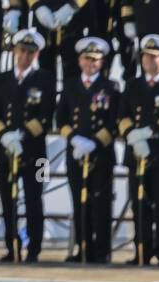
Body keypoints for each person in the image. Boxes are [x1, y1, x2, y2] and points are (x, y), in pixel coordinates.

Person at [118, 33, 159, 267]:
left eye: (155, 57)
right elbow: (122, 116)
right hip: (137, 155)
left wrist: (149, 132)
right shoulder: (132, 84)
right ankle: (141, 251)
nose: (149, 61)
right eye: (146, 56)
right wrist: (132, 136)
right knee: (139, 206)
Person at [0, 28, 55, 264]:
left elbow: (46, 116)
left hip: (36, 151)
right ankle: (12, 247)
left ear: (37, 54)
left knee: (34, 199)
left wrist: (23, 135)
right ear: (14, 51)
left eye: (30, 52)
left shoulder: (46, 80)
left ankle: (34, 249)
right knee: (8, 200)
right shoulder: (1, 79)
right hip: (6, 149)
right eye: (21, 51)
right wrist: (5, 135)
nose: (25, 56)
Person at [56, 36, 119, 264]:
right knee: (79, 201)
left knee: (100, 204)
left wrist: (94, 142)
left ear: (101, 62)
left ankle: (101, 251)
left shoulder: (110, 87)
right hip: (76, 153)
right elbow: (60, 119)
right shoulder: (70, 85)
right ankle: (82, 249)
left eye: (95, 60)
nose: (90, 63)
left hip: (101, 154)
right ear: (80, 60)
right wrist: (73, 139)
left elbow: (114, 123)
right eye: (86, 59)